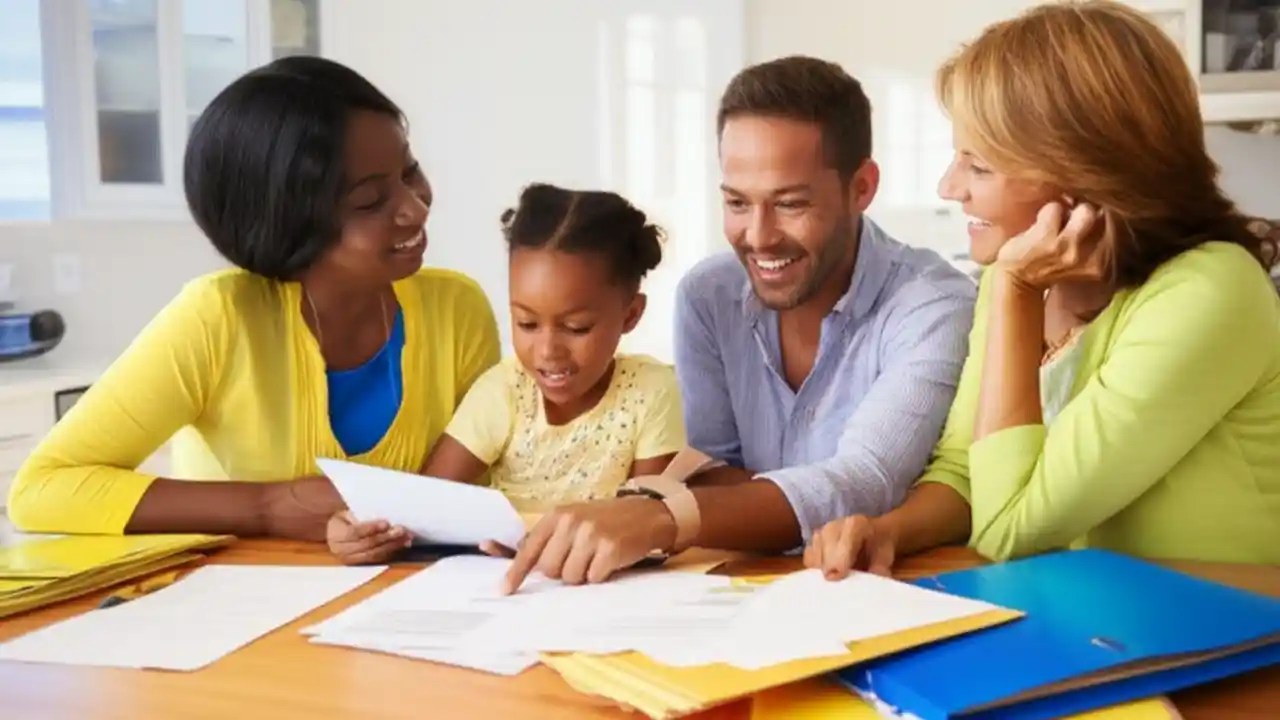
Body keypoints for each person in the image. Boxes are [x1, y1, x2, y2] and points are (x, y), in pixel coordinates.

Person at [805, 0, 1280, 579]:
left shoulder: (1209, 291)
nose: (950, 187)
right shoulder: (1019, 285)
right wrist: (886, 532)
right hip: (1087, 624)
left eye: (978, 166)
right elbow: (965, 468)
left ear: (1086, 175)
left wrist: (1014, 288)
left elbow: (1011, 528)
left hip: (1223, 645)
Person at [495, 56, 978, 594]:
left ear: (861, 187)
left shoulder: (934, 305)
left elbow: (866, 480)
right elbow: (710, 468)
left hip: (885, 592)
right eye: (736, 202)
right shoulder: (708, 296)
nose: (759, 236)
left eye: (790, 204)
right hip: (747, 586)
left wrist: (664, 515)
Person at [7, 57, 500, 540]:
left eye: (410, 172)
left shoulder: (456, 309)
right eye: (371, 201)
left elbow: (487, 488)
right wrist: (269, 508)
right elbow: (43, 488)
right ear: (290, 221)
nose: (414, 209)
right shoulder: (218, 318)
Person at [326, 184, 689, 566]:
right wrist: (355, 529)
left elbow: (645, 525)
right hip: (503, 583)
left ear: (630, 315)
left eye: (577, 327)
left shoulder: (651, 392)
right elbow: (425, 503)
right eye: (527, 323)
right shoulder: (504, 391)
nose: (548, 351)